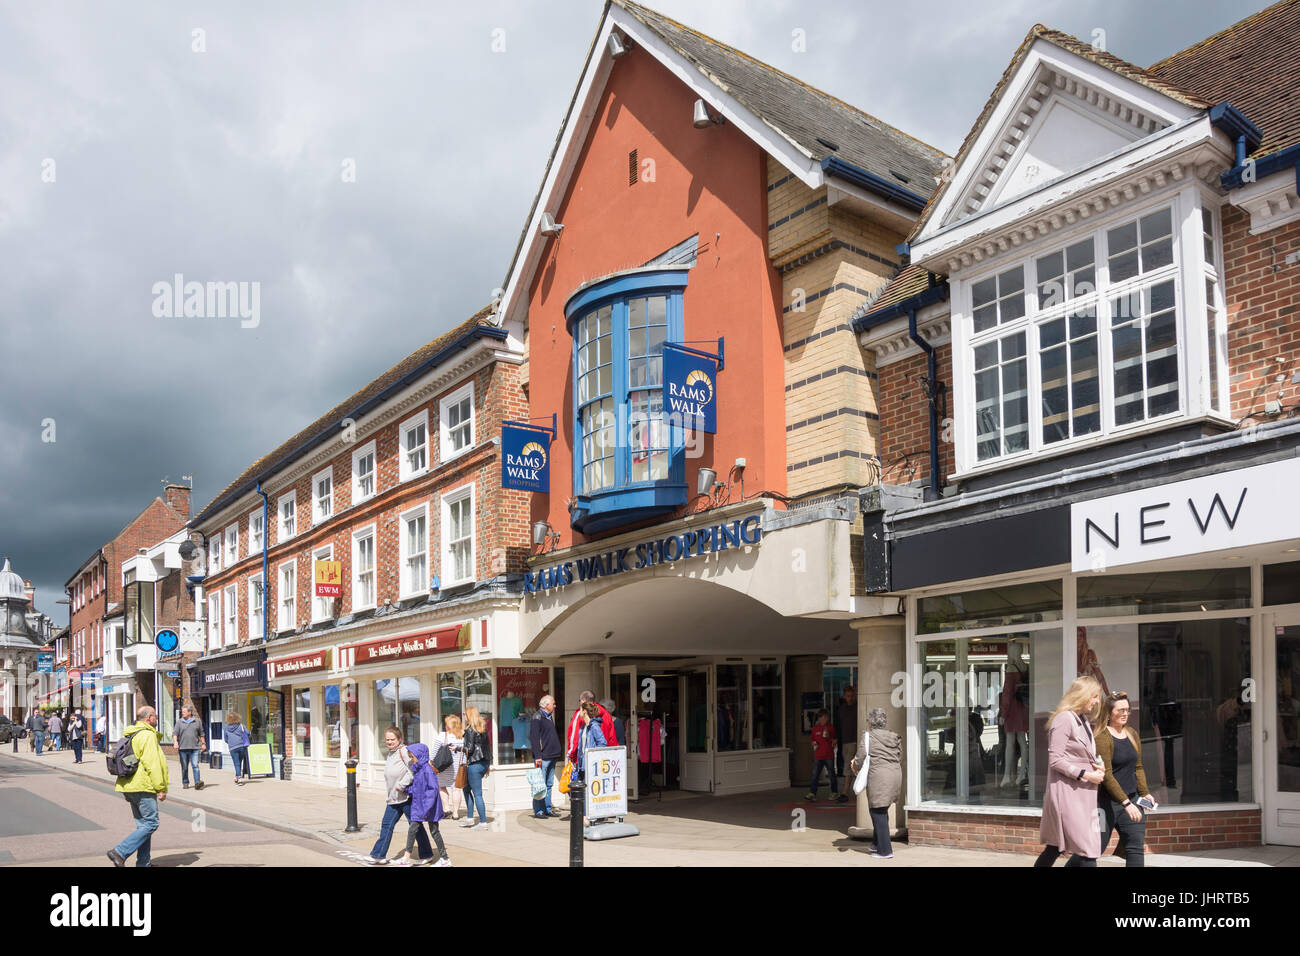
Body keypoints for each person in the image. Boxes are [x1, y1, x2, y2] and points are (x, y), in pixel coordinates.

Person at [1035, 677, 1104, 867]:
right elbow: (1055, 759)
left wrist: (1098, 767)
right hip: (1068, 794)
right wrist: (1086, 774)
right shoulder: (1064, 719)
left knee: (1056, 847)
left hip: (1083, 794)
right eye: (1094, 697)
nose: (1097, 701)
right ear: (1082, 696)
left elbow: (1085, 755)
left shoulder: (1082, 721)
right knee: (1087, 850)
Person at [1095, 691, 1155, 867]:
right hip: (1106, 802)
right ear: (1109, 712)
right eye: (1120, 710)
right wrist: (1125, 803)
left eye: (1127, 710)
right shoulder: (1102, 737)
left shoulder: (1131, 733)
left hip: (1133, 799)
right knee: (1094, 849)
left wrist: (1145, 793)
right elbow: (1107, 775)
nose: (1125, 714)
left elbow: (1138, 767)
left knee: (1135, 848)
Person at [106, 705, 169, 867]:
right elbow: (152, 764)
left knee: (143, 826)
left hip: (129, 785)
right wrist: (161, 787)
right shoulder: (147, 735)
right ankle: (120, 852)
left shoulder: (132, 733)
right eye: (155, 715)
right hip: (143, 785)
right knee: (151, 823)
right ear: (148, 718)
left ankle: (143, 863)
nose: (156, 718)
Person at [367, 726, 433, 864]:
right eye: (387, 740)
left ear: (399, 739)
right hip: (393, 798)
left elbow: (413, 770)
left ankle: (426, 854)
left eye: (392, 739)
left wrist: (401, 785)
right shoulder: (391, 753)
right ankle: (378, 855)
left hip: (406, 797)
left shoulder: (404, 752)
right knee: (386, 825)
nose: (389, 742)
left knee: (416, 827)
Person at [851, 707, 902, 859]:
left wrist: (854, 764)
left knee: (877, 811)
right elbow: (900, 756)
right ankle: (876, 844)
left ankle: (885, 850)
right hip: (895, 775)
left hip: (879, 776)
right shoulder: (894, 736)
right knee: (882, 809)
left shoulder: (868, 736)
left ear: (871, 723)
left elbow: (860, 757)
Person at [391, 743, 452, 867]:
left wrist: (426, 807)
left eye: (413, 757)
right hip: (422, 807)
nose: (411, 759)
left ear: (420, 756)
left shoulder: (427, 770)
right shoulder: (419, 769)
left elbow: (433, 790)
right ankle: (443, 859)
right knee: (417, 830)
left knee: (433, 831)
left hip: (427, 807)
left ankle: (444, 859)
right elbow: (417, 788)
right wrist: (406, 790)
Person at [529, 694, 563, 818]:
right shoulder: (537, 717)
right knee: (540, 784)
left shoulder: (549, 717)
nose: (555, 705)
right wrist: (538, 756)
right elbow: (534, 738)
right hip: (543, 757)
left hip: (552, 755)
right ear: (546, 705)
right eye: (553, 703)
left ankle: (547, 808)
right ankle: (539, 811)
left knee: (549, 784)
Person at [459, 706, 491, 829]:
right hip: (483, 763)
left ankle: (482, 822)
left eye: (465, 715)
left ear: (470, 716)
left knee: (477, 794)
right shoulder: (482, 729)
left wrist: (456, 748)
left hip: (474, 764)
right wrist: (487, 765)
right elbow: (487, 748)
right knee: (466, 790)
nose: (464, 717)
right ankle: (470, 818)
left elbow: (470, 749)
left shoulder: (469, 731)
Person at [565, 691, 616, 764]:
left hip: (588, 758)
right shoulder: (606, 714)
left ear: (583, 701)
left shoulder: (580, 714)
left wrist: (571, 754)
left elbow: (574, 736)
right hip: (604, 756)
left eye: (580, 700)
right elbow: (612, 736)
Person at [806, 708, 843, 801]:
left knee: (831, 775)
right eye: (821, 718)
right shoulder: (815, 729)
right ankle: (812, 793)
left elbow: (835, 740)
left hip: (828, 755)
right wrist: (814, 743)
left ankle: (834, 792)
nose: (823, 720)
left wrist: (830, 738)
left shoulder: (830, 727)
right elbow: (812, 739)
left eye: (825, 718)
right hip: (818, 756)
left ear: (828, 718)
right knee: (815, 775)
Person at [436, 714, 467, 821]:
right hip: (458, 767)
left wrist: (431, 763)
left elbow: (434, 752)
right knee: (456, 789)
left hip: (443, 767)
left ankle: (446, 809)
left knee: (441, 786)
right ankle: (456, 814)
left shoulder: (442, 735)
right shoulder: (463, 736)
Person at [573, 701, 608, 787]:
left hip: (591, 764)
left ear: (584, 711)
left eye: (580, 710)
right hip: (582, 764)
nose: (579, 712)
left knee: (588, 790)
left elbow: (602, 743)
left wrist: (593, 755)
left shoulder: (594, 726)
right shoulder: (584, 726)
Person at [172, 705, 207, 790]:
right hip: (183, 748)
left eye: (184, 712)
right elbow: (175, 734)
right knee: (184, 767)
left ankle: (197, 783)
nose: (182, 713)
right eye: (182, 711)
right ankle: (185, 782)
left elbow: (201, 734)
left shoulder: (197, 721)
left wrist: (203, 744)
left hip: (195, 747)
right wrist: (175, 742)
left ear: (189, 712)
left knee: (195, 765)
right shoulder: (179, 722)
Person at [833, 684, 857, 784]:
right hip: (844, 741)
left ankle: (846, 791)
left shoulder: (857, 707)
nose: (850, 698)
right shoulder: (841, 709)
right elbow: (838, 725)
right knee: (848, 764)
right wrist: (836, 738)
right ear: (844, 696)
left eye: (851, 696)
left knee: (848, 765)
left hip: (854, 739)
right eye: (848, 696)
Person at [223, 712, 251, 785]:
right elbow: (248, 733)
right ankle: (237, 776)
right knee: (239, 762)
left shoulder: (226, 728)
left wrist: (230, 742)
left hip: (232, 747)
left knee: (236, 763)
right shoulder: (241, 725)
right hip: (242, 746)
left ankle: (239, 778)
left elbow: (225, 739)